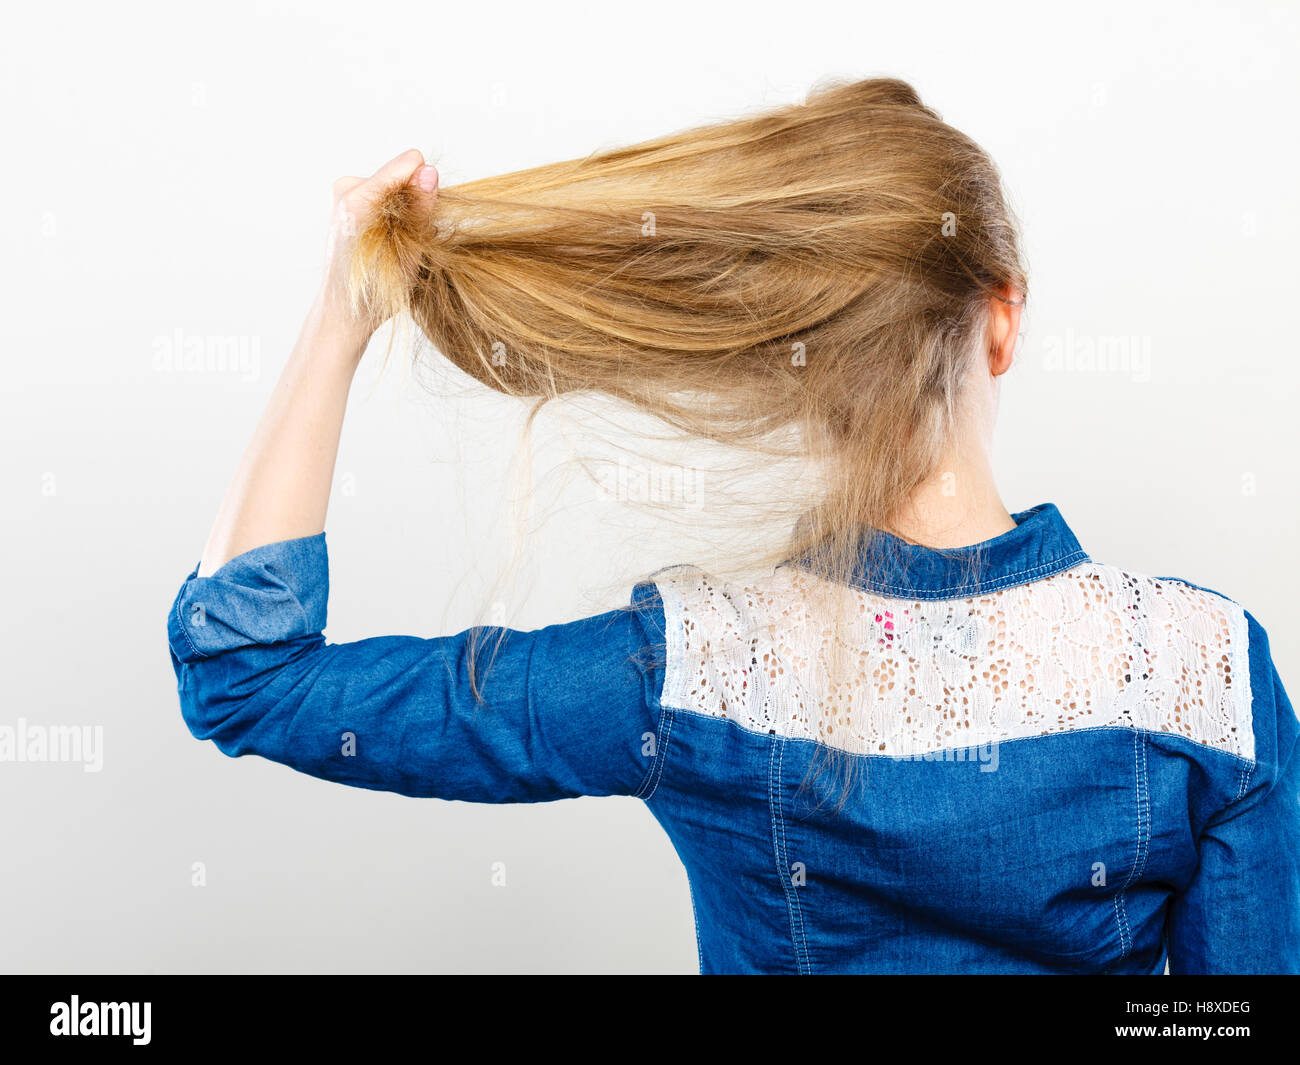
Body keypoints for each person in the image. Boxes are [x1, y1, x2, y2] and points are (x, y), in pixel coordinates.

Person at [166, 78, 1299, 974]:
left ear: (781, 354)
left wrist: (343, 310)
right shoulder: (1201, 672)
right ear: (1000, 320)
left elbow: (247, 677)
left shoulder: (693, 668)